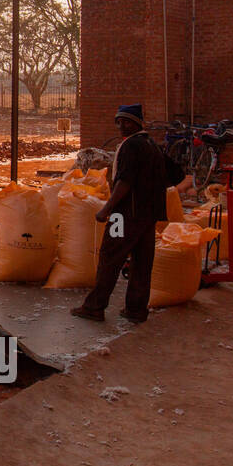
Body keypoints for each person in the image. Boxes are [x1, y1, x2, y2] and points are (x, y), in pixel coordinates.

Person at [72, 103, 169, 324]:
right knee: (142, 263)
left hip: (124, 214)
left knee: (109, 257)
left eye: (126, 121)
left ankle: (94, 307)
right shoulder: (152, 145)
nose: (121, 126)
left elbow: (124, 182)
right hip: (148, 215)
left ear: (137, 123)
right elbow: (169, 175)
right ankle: (136, 310)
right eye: (119, 121)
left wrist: (106, 209)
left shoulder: (130, 146)